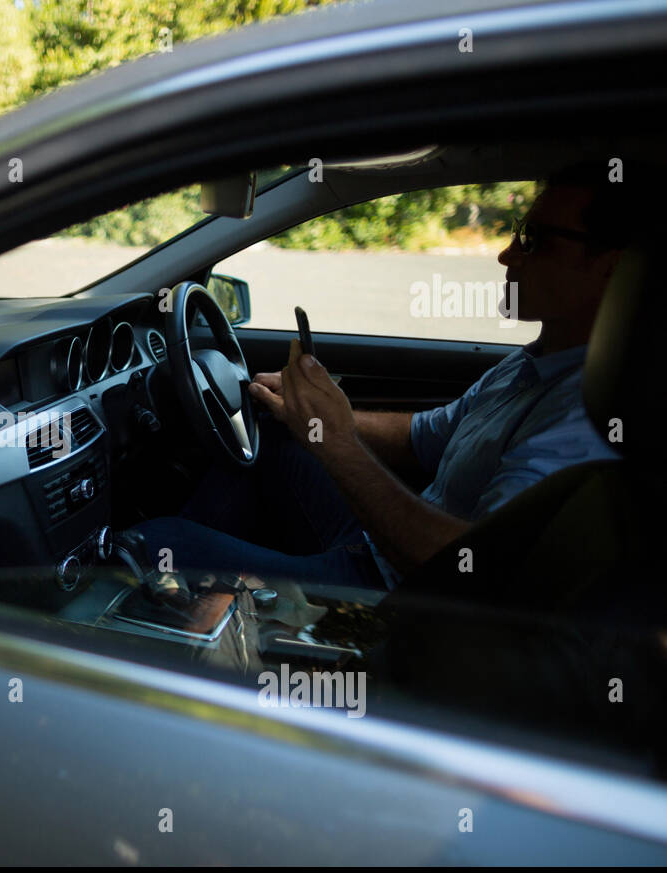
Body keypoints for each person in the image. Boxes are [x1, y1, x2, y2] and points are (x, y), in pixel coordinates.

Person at [132, 163, 635, 590]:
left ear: (609, 268)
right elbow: (425, 438)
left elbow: (473, 572)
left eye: (534, 240)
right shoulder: (536, 362)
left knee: (152, 546)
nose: (508, 253)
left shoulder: (585, 421)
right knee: (272, 446)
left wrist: (334, 438)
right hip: (380, 546)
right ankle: (207, 612)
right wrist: (313, 416)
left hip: (396, 598)